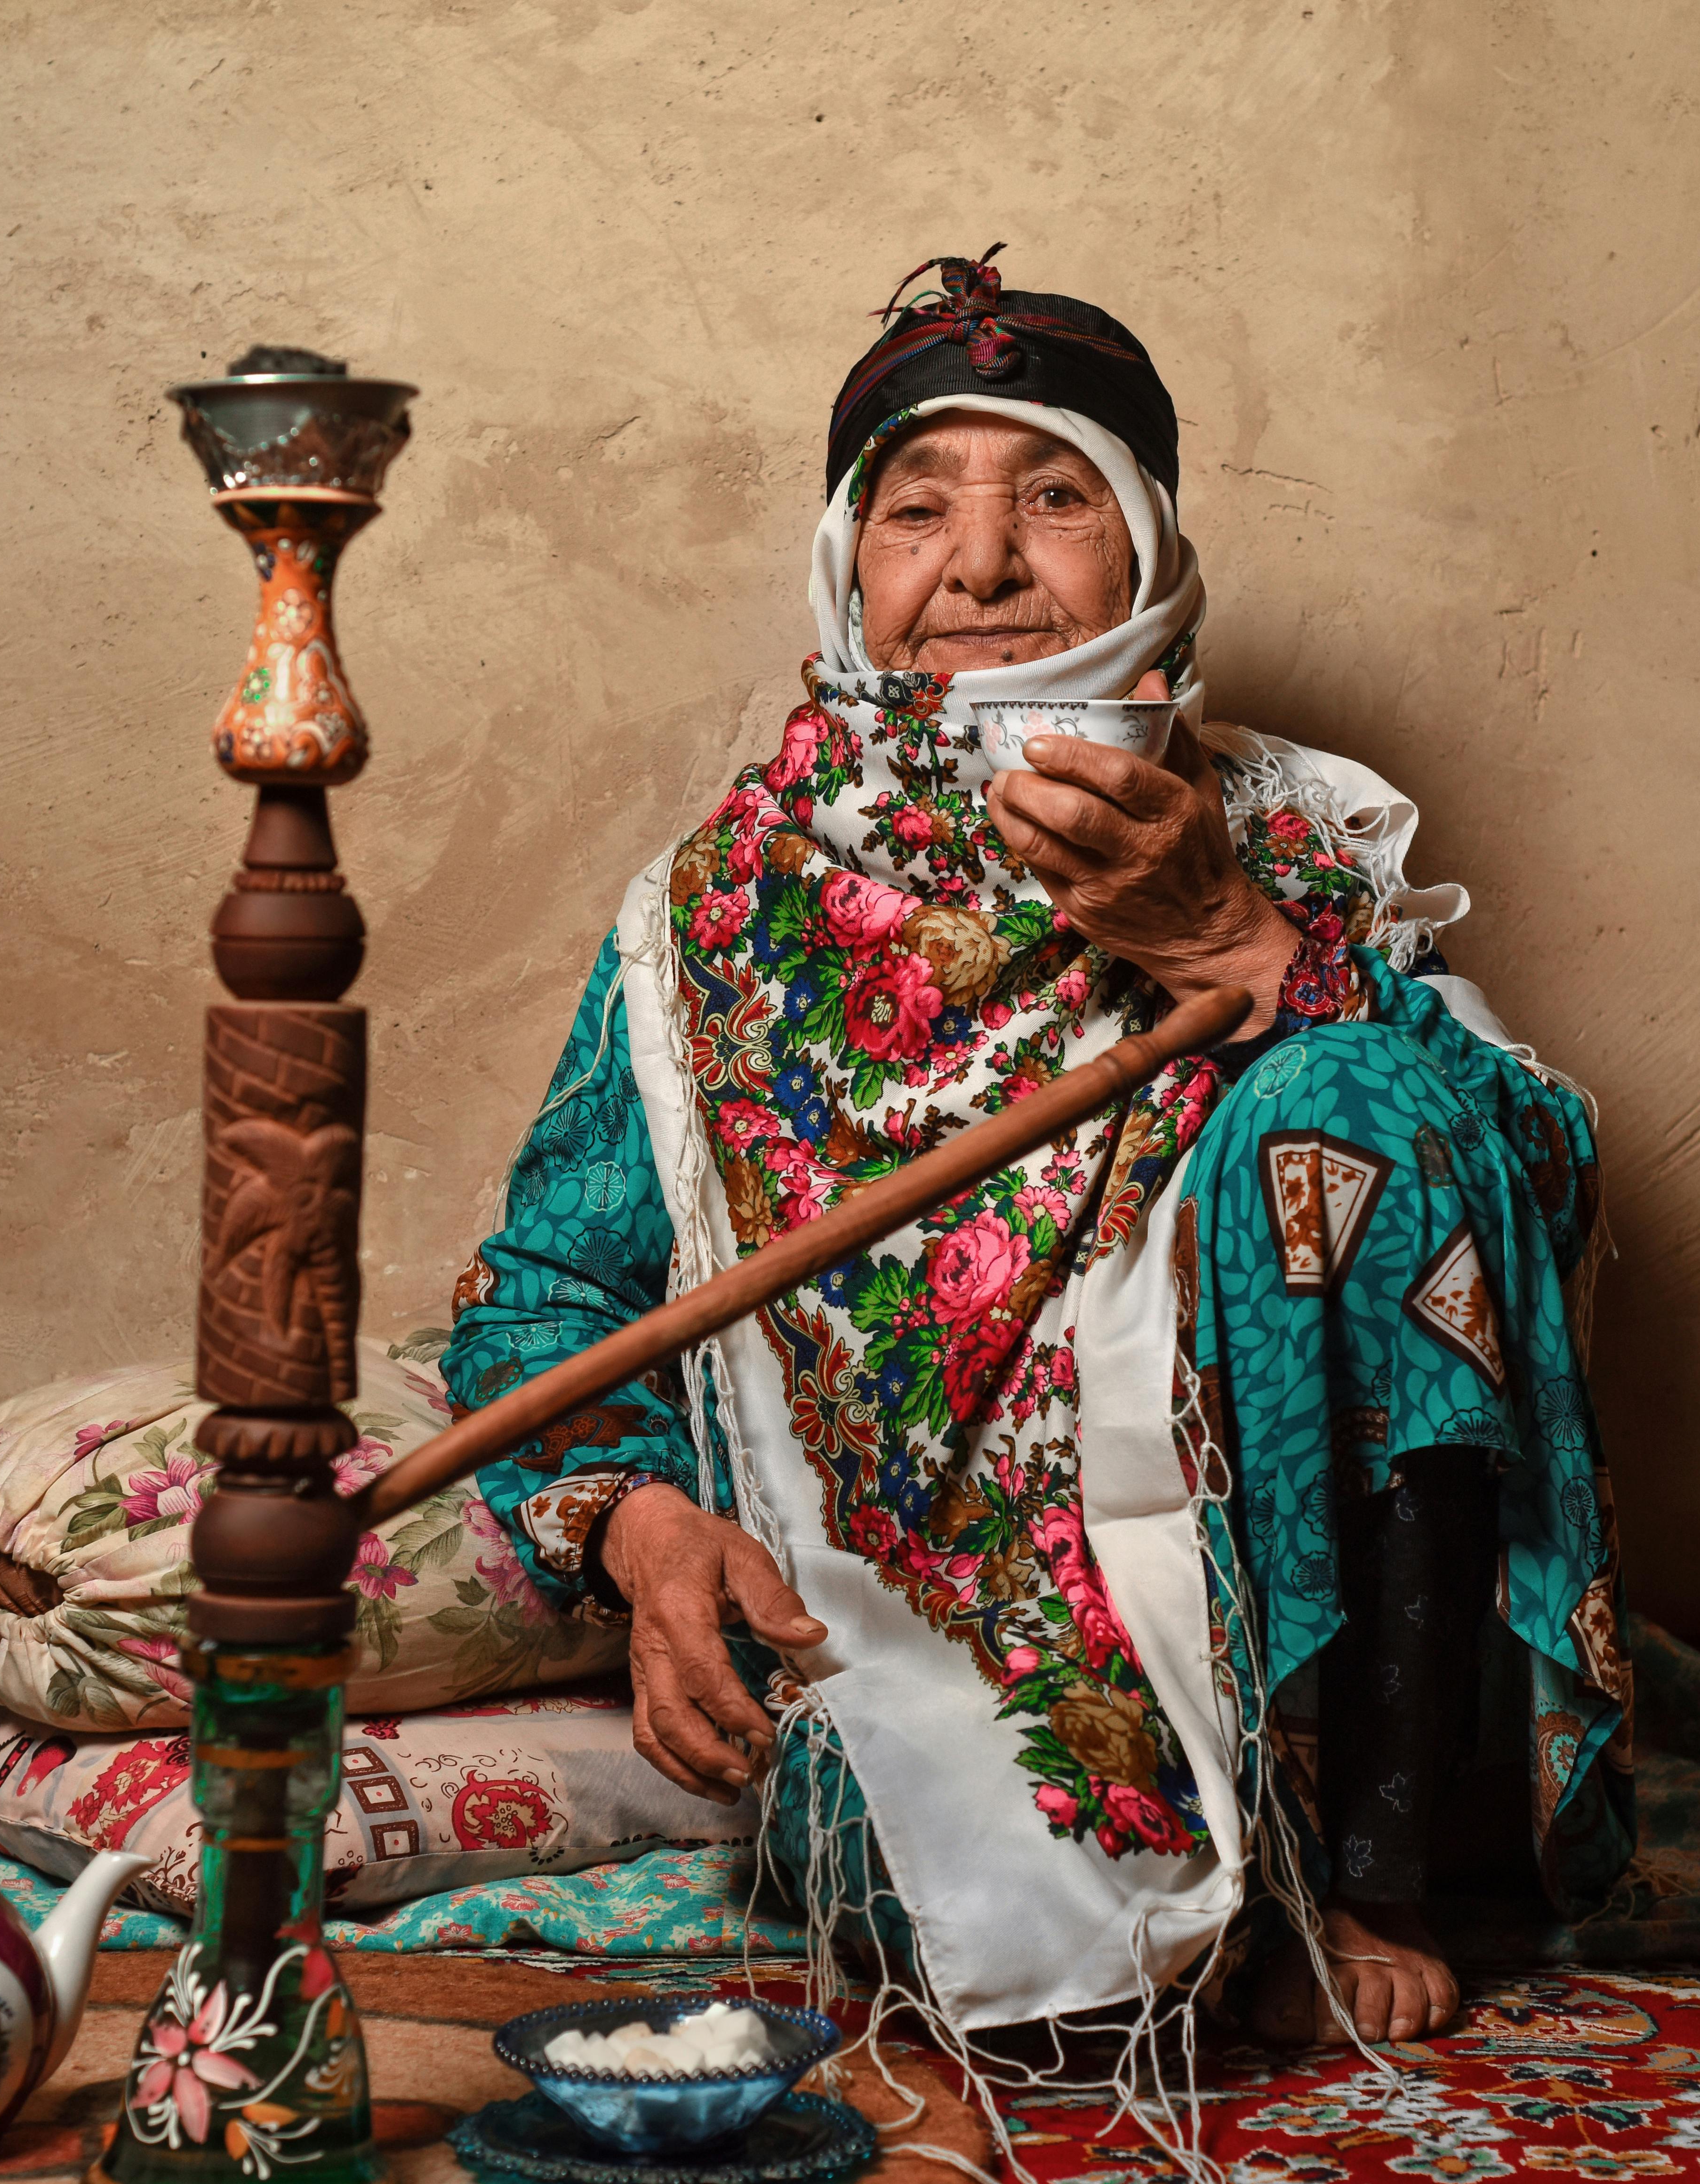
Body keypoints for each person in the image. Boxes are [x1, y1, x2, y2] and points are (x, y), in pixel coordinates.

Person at [442, 251, 1632, 2051]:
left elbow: (1525, 1191)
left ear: (1147, 551)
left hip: (1263, 1592)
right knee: (1040, 1999)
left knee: (1367, 1104)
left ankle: (1364, 1860)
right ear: (847, 566)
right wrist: (646, 1533)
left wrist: (1242, 949)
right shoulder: (707, 913)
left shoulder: (1294, 840)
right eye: (916, 511)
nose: (982, 569)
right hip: (883, 1590)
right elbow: (545, 1292)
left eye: (1054, 501)